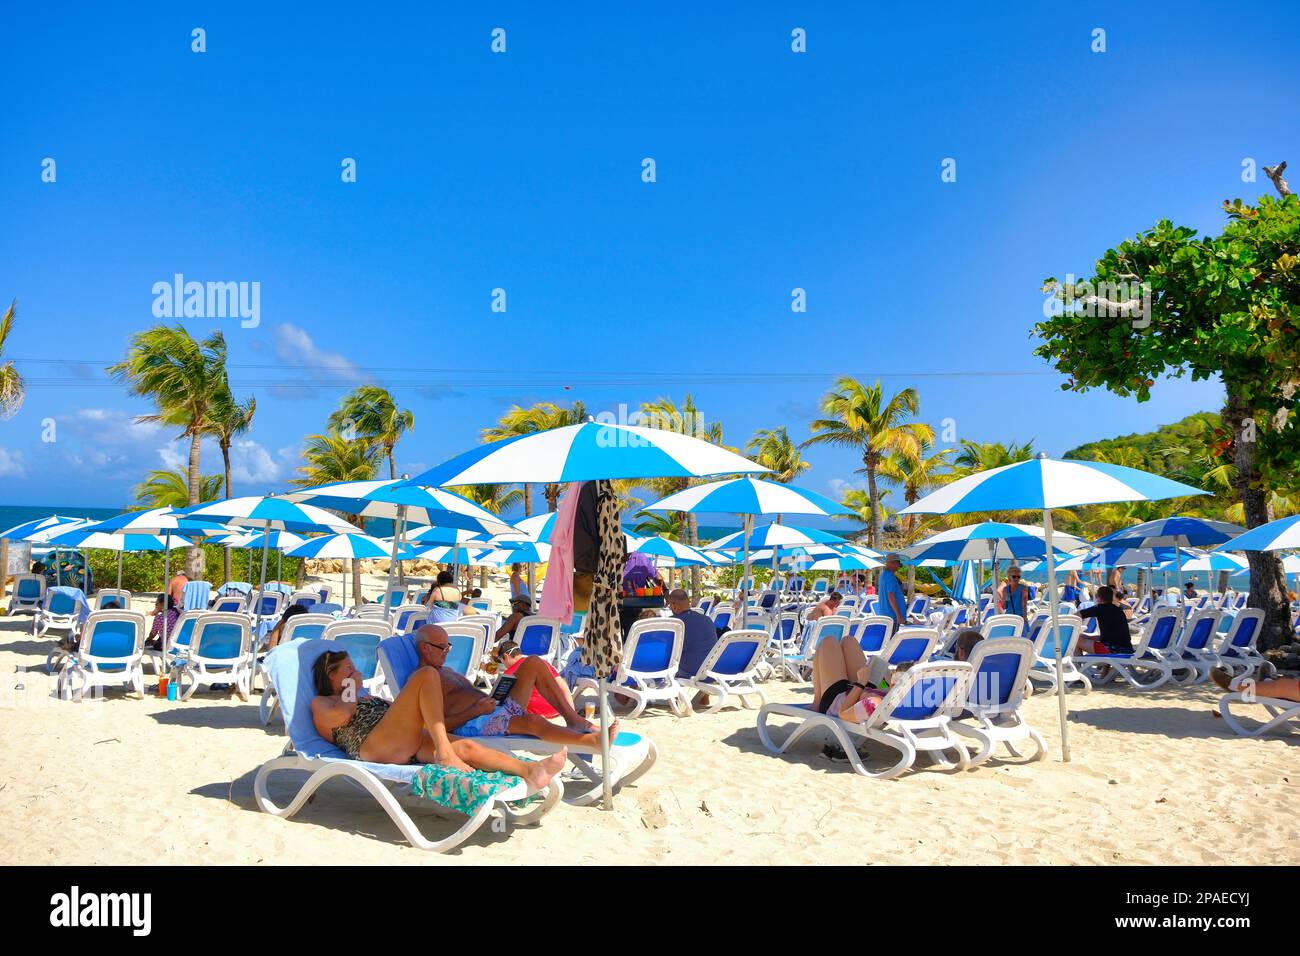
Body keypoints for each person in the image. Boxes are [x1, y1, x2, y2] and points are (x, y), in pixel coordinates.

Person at [309, 648, 566, 788]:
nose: (355, 672)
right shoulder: (322, 703)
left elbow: (394, 712)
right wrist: (354, 685)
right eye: (348, 669)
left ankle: (531, 770)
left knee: (467, 747)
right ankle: (445, 753)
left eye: (354, 669)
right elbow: (344, 715)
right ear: (331, 675)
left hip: (401, 740)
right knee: (426, 675)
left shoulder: (360, 697)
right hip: (373, 746)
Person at [413, 623, 612, 746]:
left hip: (490, 708)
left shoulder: (446, 672)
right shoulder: (423, 679)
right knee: (534, 722)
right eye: (442, 647)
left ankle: (573, 720)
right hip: (474, 722)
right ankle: (590, 742)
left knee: (533, 662)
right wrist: (475, 711)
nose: (447, 651)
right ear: (424, 648)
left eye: (448, 646)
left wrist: (494, 696)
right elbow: (435, 726)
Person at [491, 640, 574, 718]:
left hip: (535, 715)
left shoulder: (509, 673)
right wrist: (571, 713)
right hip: (556, 710)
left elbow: (498, 700)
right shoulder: (541, 662)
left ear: (506, 656)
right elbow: (562, 685)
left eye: (501, 660)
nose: (503, 664)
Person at [666, 588, 719, 679]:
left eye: (670, 606)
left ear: (674, 606)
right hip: (711, 671)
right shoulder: (707, 620)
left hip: (689, 672)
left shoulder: (673, 624)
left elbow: (666, 651)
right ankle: (703, 693)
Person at [1077, 586, 1133, 654]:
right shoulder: (1118, 610)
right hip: (1127, 650)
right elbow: (1110, 636)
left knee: (1075, 640)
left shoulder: (1099, 608)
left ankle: (1077, 664)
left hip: (1112, 650)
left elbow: (1076, 615)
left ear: (1099, 598)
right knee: (1082, 636)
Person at [877, 553, 908, 629]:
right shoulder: (890, 577)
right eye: (898, 563)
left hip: (886, 616)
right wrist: (899, 616)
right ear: (892, 563)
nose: (898, 566)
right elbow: (891, 596)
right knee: (893, 639)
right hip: (892, 617)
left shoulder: (884, 575)